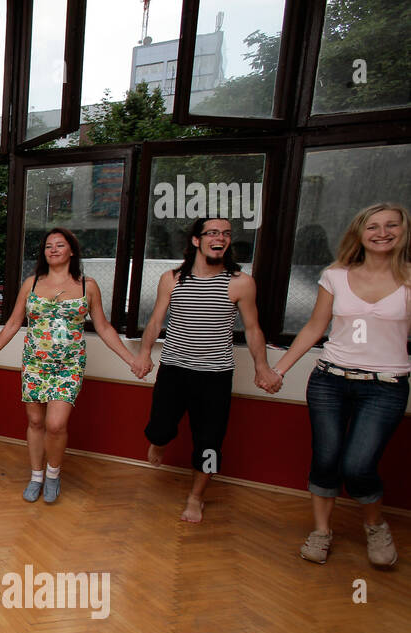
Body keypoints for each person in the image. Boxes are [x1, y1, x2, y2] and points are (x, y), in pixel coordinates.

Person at [272, 202, 410, 567]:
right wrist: (279, 369)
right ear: (360, 234)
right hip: (329, 381)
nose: (382, 233)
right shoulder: (335, 275)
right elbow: (315, 328)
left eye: (390, 226)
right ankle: (321, 531)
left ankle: (375, 526)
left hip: (386, 386)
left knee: (359, 465)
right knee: (326, 458)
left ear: (402, 230)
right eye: (373, 227)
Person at [134, 217, 281, 522]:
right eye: (212, 232)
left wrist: (262, 367)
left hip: (215, 376)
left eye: (226, 233)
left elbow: (253, 329)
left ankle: (195, 497)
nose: (221, 237)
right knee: (159, 428)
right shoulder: (172, 278)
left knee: (210, 443)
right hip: (174, 369)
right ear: (196, 241)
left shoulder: (241, 282)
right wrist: (144, 354)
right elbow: (156, 321)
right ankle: (159, 443)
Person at [0, 228, 140, 503]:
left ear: (71, 251)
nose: (53, 249)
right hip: (34, 362)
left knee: (55, 424)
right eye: (48, 246)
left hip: (69, 365)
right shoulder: (31, 283)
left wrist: (131, 359)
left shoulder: (88, 286)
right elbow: (14, 322)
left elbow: (103, 327)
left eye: (59, 245)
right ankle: (36, 475)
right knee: (36, 420)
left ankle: (53, 474)